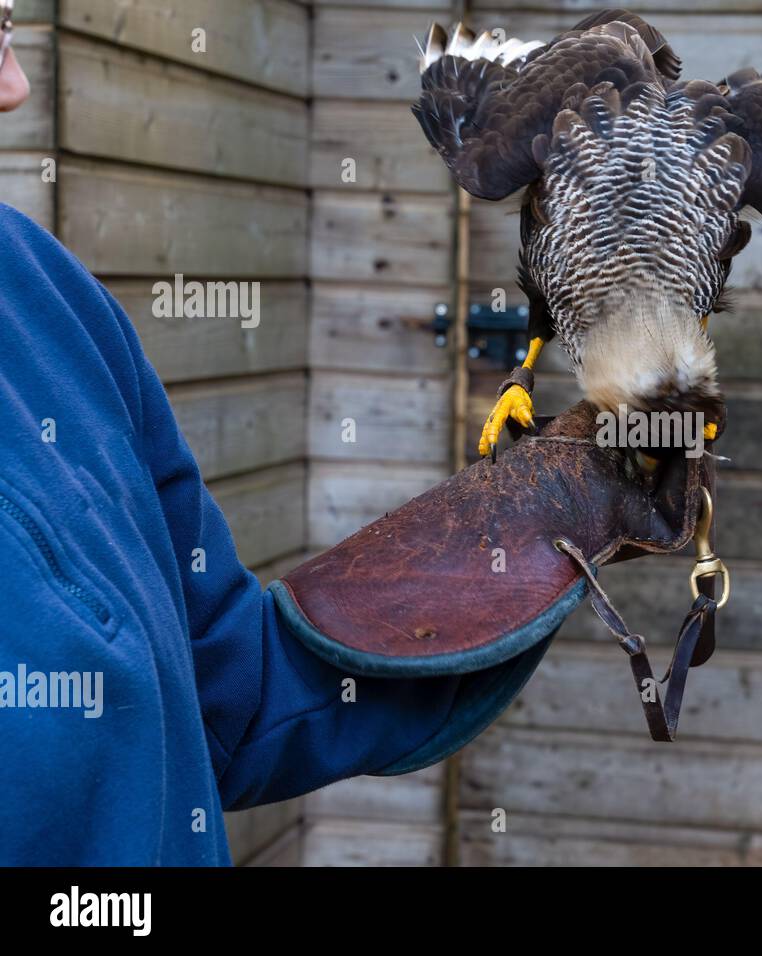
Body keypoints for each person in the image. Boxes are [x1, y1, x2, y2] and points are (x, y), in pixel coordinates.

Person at [0, 44, 549, 865]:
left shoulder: (45, 294)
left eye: (7, 23)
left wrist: (548, 518)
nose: (15, 87)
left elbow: (227, 692)